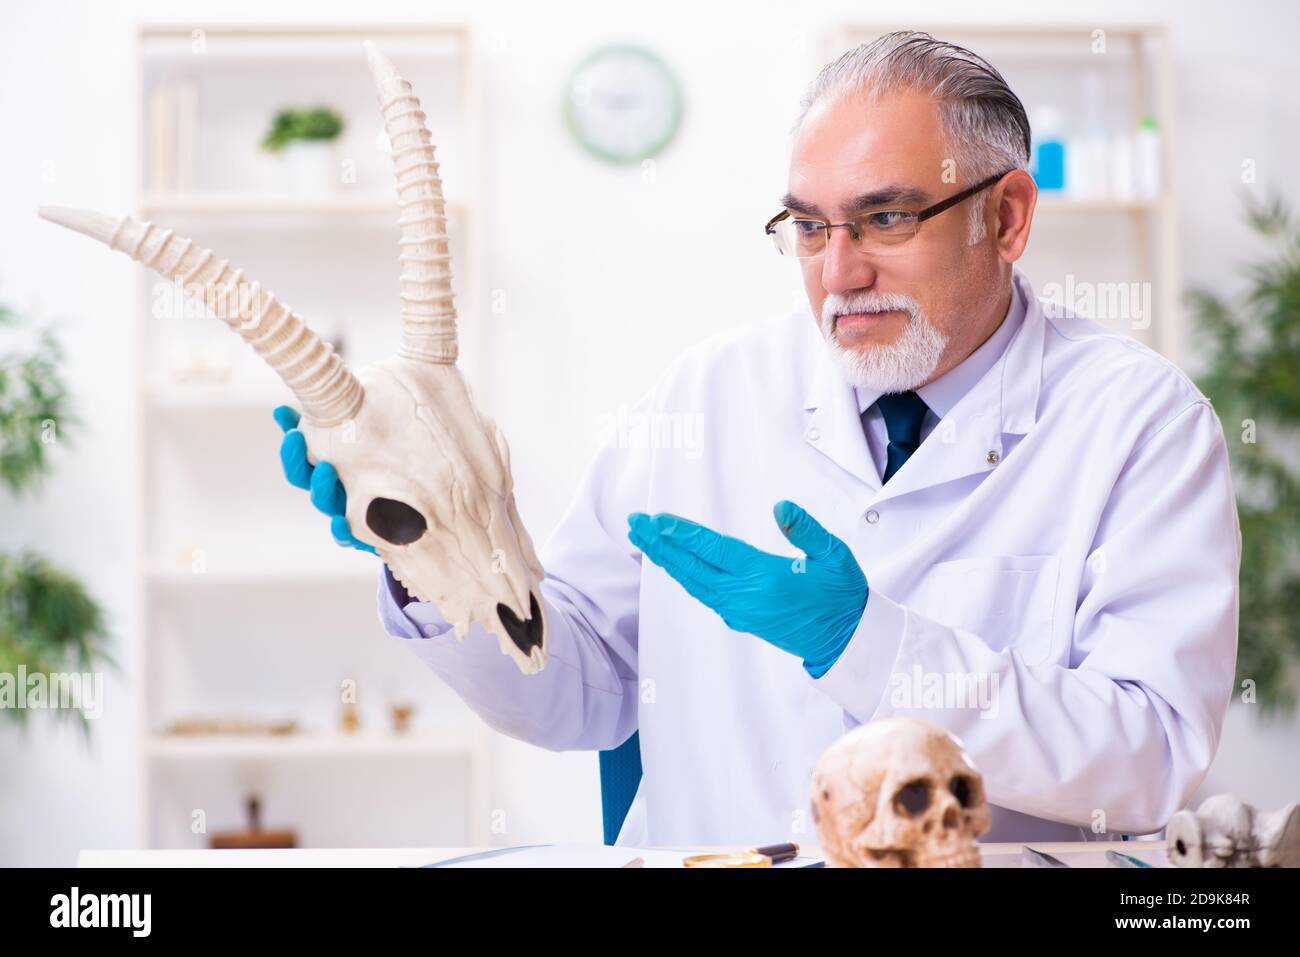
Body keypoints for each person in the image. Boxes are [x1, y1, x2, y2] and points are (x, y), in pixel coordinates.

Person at [275, 31, 1241, 847]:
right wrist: (437, 559)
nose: (841, 270)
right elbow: (580, 692)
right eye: (809, 227)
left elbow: (1148, 758)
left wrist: (869, 643)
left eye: (887, 217)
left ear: (1009, 214)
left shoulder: (1138, 423)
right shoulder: (712, 393)